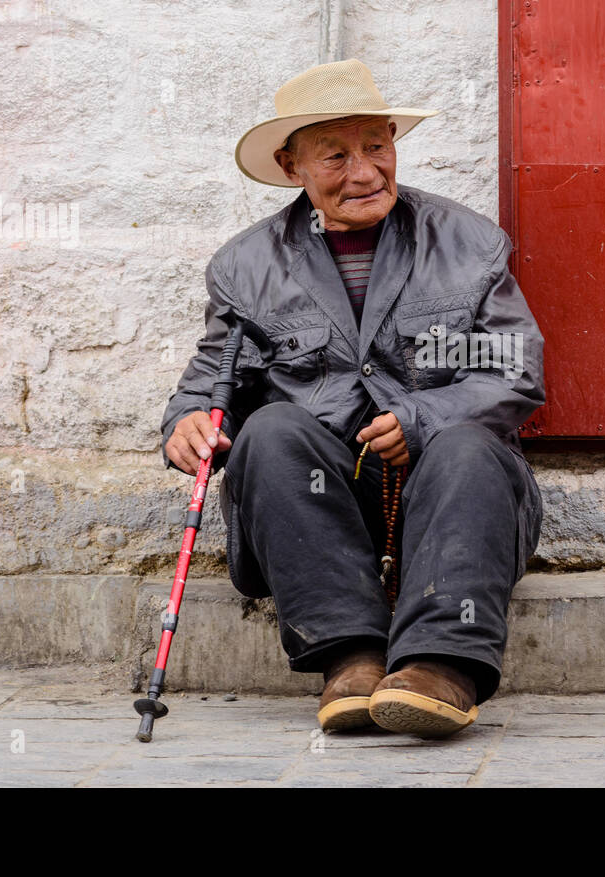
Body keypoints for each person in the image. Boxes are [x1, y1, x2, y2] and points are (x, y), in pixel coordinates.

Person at [161, 59, 545, 737]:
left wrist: (422, 419)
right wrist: (188, 422)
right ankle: (351, 657)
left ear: (393, 141)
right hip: (318, 511)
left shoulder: (469, 243)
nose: (364, 172)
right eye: (336, 155)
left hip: (449, 503)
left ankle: (440, 665)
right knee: (271, 430)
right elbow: (213, 381)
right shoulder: (245, 267)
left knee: (467, 443)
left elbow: (514, 371)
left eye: (376, 145)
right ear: (291, 166)